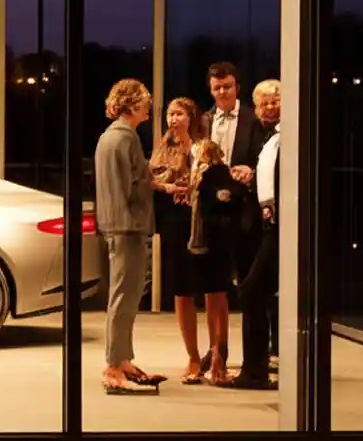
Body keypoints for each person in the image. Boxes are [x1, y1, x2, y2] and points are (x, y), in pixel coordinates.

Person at [197, 62, 267, 375]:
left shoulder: (254, 119)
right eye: (217, 88)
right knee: (214, 285)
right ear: (211, 90)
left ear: (237, 87)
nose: (222, 92)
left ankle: (257, 360)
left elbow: (262, 158)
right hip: (211, 212)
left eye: (227, 86)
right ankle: (218, 354)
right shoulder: (204, 120)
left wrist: (250, 174)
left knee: (250, 286)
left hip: (245, 210)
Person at [94, 78, 163, 394]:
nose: (149, 107)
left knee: (123, 294)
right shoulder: (127, 138)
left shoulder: (108, 138)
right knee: (125, 296)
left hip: (115, 224)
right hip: (128, 226)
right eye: (146, 101)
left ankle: (121, 359)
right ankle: (113, 365)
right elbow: (132, 185)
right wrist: (156, 182)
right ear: (134, 104)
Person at [149, 97, 212, 384]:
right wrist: (167, 187)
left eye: (179, 114)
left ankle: (216, 355)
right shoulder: (164, 147)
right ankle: (193, 355)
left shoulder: (203, 145)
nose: (173, 120)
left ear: (191, 116)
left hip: (203, 220)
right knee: (182, 290)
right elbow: (149, 179)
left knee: (211, 288)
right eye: (170, 115)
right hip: (176, 221)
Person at [229, 79, 281, 390]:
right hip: (254, 225)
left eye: (276, 101)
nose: (271, 106)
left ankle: (257, 370)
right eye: (265, 102)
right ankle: (254, 370)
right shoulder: (261, 134)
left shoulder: (288, 135)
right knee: (254, 296)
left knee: (252, 291)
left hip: (275, 227)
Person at [187, 138, 248, 386]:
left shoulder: (214, 174)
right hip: (205, 244)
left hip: (213, 244)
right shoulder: (201, 176)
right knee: (212, 298)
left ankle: (218, 359)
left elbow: (226, 199)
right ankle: (215, 358)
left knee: (216, 298)